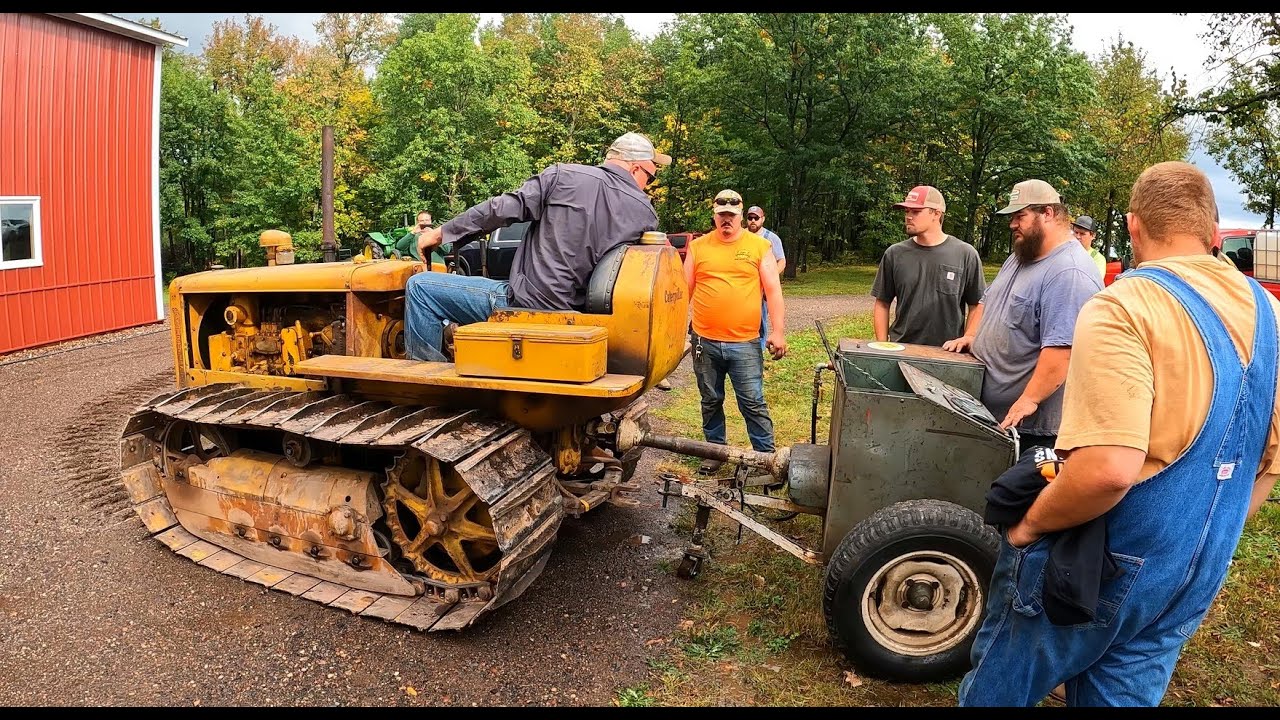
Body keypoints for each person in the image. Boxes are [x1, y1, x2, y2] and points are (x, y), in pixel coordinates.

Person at [959, 161, 1280, 707]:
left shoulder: (1125, 305)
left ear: (1133, 227)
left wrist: (1028, 529)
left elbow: (1108, 470)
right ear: (1210, 227)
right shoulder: (1269, 313)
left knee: (999, 690)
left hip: (1106, 558)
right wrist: (1192, 543)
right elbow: (1265, 467)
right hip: (1195, 570)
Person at [404, 132, 669, 361]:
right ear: (634, 168)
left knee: (420, 288)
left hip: (529, 304)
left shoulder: (563, 176)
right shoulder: (646, 213)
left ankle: (427, 381)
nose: (648, 186)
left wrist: (439, 234)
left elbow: (498, 209)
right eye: (651, 178)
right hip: (581, 315)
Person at [944, 179, 1102, 450]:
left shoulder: (1069, 273)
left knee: (1008, 493)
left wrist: (1029, 399)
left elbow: (1062, 350)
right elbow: (986, 299)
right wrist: (972, 334)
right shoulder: (1021, 254)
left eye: (1020, 216)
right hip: (992, 416)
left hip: (1028, 430)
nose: (1012, 224)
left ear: (1048, 213)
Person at [685, 189, 788, 474]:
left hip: (744, 342)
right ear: (714, 215)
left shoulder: (758, 246)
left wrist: (777, 331)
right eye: (721, 216)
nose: (726, 221)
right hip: (704, 342)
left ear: (741, 215)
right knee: (710, 399)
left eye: (731, 215)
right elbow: (683, 292)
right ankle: (715, 451)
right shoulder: (698, 247)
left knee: (752, 401)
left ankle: (766, 459)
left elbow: (773, 292)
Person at [871, 185, 985, 347]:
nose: (909, 217)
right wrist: (882, 347)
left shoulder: (965, 254)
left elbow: (977, 304)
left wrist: (968, 337)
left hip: (947, 353)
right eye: (906, 211)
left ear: (936, 214)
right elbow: (882, 303)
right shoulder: (894, 254)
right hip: (902, 348)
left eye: (916, 212)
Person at [745, 205, 786, 352]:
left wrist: (771, 277)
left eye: (756, 218)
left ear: (763, 219)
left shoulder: (771, 238)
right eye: (750, 218)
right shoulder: (741, 236)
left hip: (762, 289)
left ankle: (759, 351)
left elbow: (781, 261)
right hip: (744, 287)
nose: (753, 221)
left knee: (760, 320)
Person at [1071, 215, 1107, 280]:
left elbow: (1095, 281)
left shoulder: (1097, 258)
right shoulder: (1066, 252)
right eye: (1076, 232)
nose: (1077, 236)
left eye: (1082, 233)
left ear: (1093, 235)